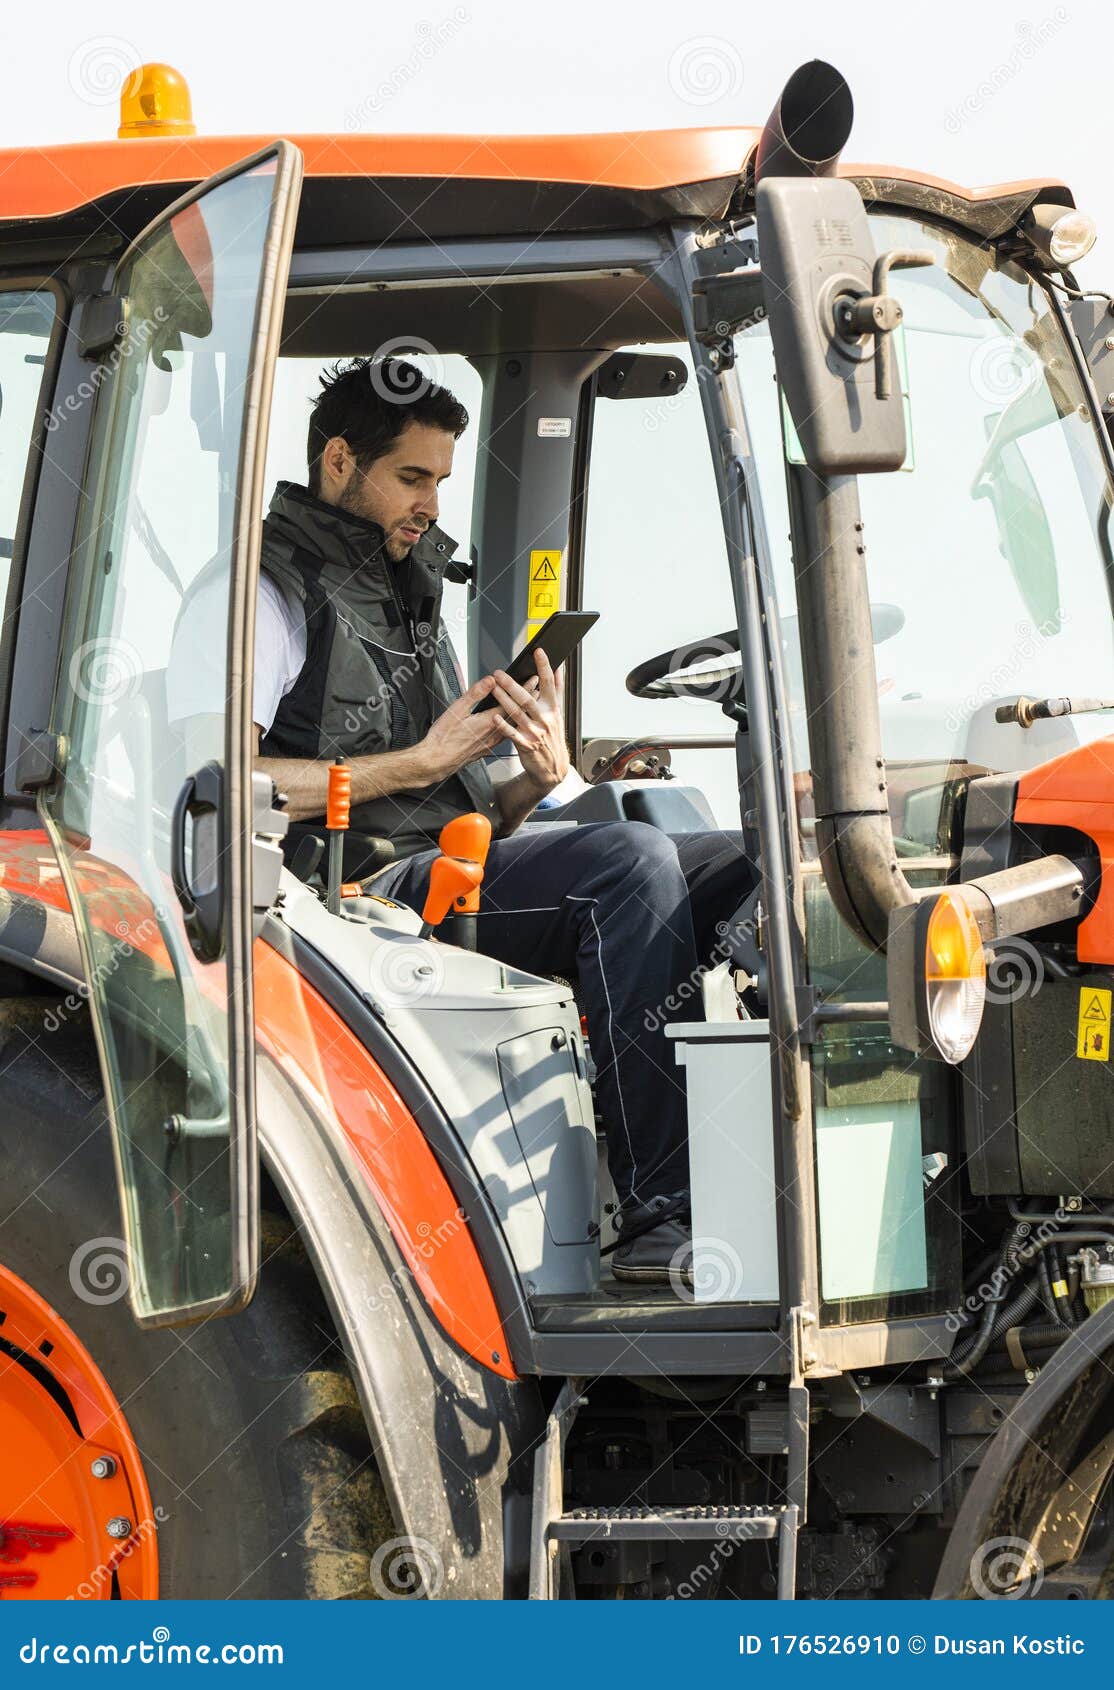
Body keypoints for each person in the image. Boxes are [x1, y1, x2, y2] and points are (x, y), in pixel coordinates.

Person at [178, 357, 758, 1284]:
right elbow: (210, 780)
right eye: (414, 477)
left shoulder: (405, 592)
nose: (433, 506)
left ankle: (753, 1173)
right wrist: (419, 762)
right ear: (338, 461)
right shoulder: (261, 591)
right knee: (628, 863)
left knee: (740, 860)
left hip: (449, 860)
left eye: (443, 480)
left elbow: (452, 800)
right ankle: (662, 1214)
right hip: (347, 892)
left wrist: (531, 781)